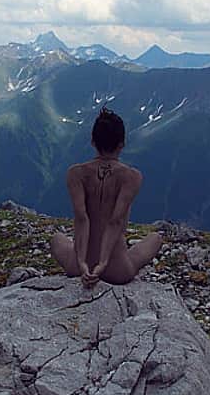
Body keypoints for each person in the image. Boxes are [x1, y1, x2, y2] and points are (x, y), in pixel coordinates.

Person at [49, 106, 163, 287]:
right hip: (117, 269)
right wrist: (102, 263)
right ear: (121, 144)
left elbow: (81, 218)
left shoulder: (76, 173)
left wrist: (82, 263)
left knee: (56, 238)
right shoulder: (132, 176)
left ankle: (83, 262)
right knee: (155, 238)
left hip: (76, 266)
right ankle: (105, 262)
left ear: (93, 142)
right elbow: (115, 221)